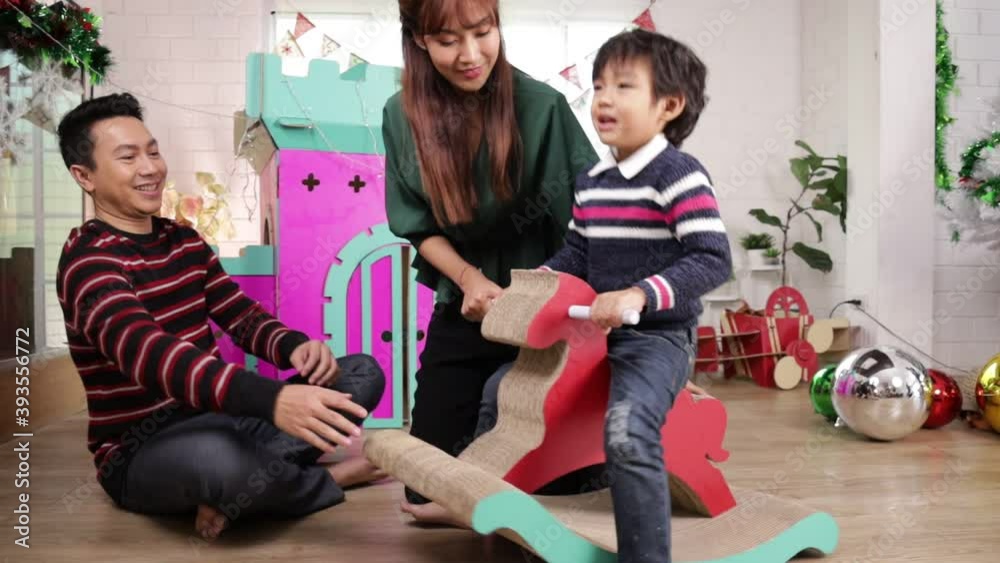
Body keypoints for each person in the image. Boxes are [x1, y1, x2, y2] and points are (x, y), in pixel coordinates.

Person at [405, 29, 733, 563]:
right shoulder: (593, 180)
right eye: (599, 84)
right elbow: (578, 253)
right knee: (502, 394)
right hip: (593, 331)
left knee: (627, 431)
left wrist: (639, 295)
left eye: (624, 87)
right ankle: (506, 519)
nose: (604, 98)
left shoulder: (680, 176)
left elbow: (711, 257)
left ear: (668, 105)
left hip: (656, 338)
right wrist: (532, 287)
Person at [55, 92, 387, 540]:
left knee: (361, 374)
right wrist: (272, 400)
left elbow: (239, 315)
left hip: (222, 415)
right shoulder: (87, 262)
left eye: (152, 151)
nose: (151, 168)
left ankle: (246, 487)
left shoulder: (184, 240)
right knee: (223, 461)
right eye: (128, 157)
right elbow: (150, 356)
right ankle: (323, 480)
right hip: (142, 449)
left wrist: (294, 347)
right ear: (85, 176)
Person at [381, 0, 603, 510]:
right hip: (467, 303)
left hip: (549, 310)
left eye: (483, 32)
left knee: (561, 481)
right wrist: (469, 280)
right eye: (447, 40)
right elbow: (418, 227)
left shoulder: (542, 106)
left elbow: (593, 226)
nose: (470, 54)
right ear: (418, 39)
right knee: (425, 488)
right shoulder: (401, 114)